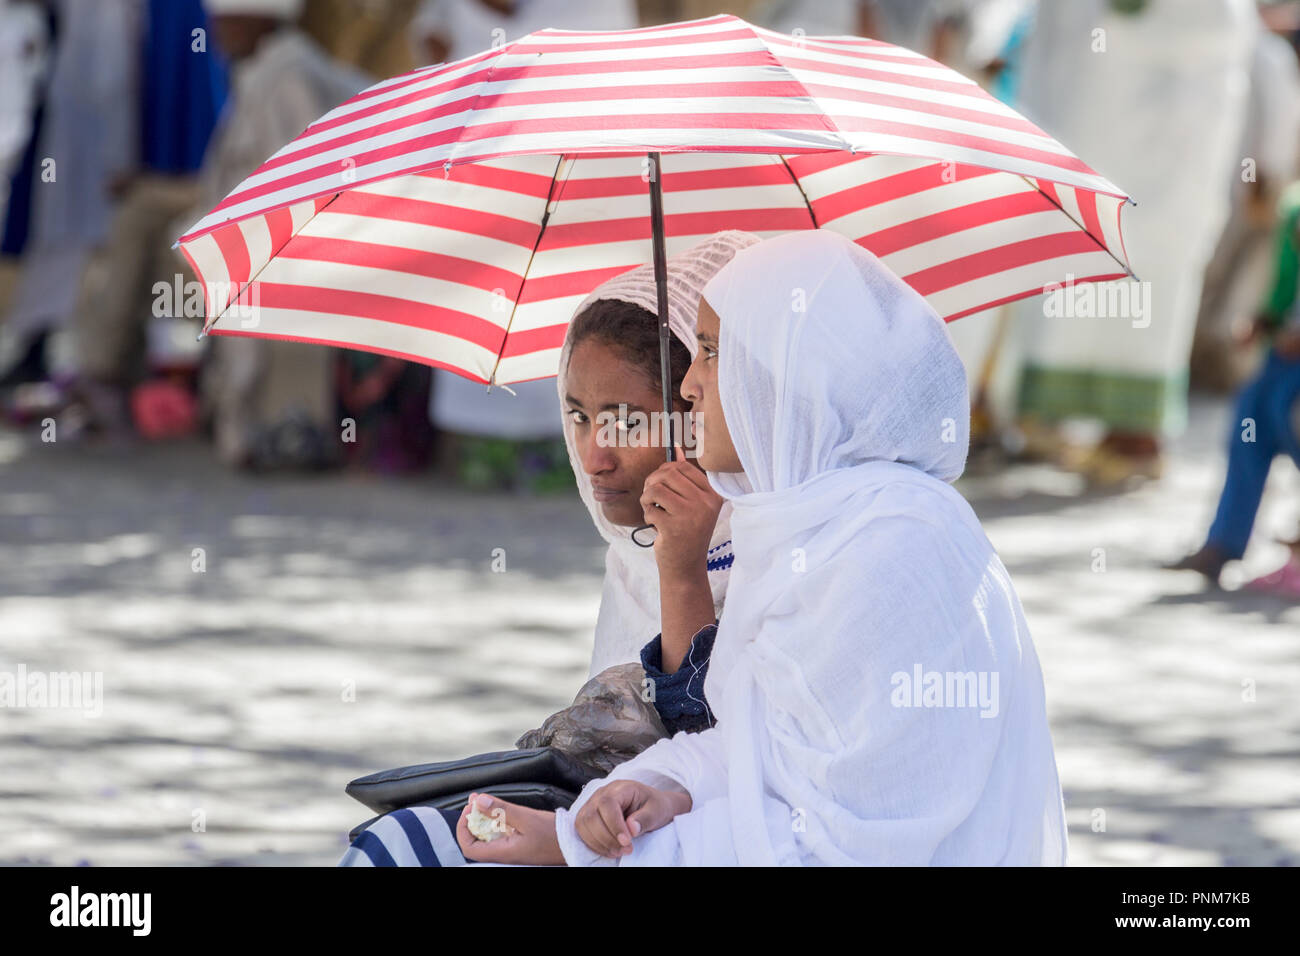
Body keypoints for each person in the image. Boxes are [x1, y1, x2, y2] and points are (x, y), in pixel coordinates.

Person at [377, 229, 1067, 867]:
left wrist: (574, 846)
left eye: (711, 352)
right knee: (398, 843)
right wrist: (653, 787)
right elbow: (748, 743)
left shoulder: (895, 548)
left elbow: (844, 842)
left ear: (787, 374)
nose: (690, 383)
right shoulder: (804, 527)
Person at [338, 231, 759, 866]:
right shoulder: (636, 556)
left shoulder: (774, 550)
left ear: (697, 409)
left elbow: (713, 753)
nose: (595, 455)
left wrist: (683, 572)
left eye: (628, 420)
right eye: (581, 417)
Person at [1010, 0, 1256, 484]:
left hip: (1172, 159)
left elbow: (1213, 40)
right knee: (1093, 265)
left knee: (1152, 280)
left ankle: (1136, 434)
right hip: (1115, 142)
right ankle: (1093, 422)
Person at [195, 0, 372, 469]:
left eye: (226, 17)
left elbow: (305, 182)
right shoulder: (261, 69)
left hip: (295, 236)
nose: (215, 28)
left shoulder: (287, 75)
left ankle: (285, 428)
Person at [1164, 180, 1300, 594]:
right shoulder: (1294, 208)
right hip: (1287, 354)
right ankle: (1224, 542)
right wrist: (1264, 321)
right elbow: (1285, 283)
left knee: (1289, 414)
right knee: (1252, 417)